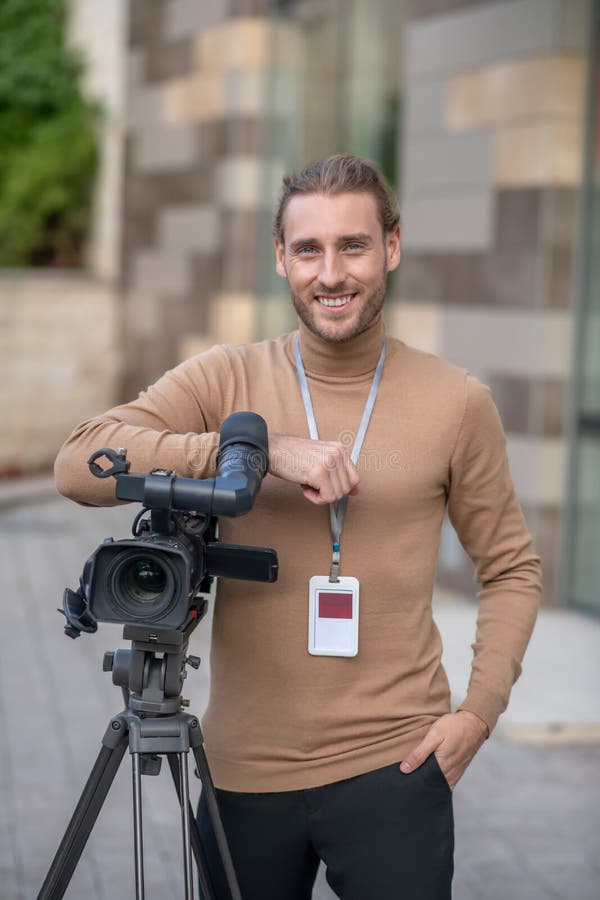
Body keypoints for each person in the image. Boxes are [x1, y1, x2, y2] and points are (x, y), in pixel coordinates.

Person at [55, 153, 541, 900]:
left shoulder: (457, 402)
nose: (331, 273)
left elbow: (510, 570)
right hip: (242, 775)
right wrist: (255, 450)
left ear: (393, 247)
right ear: (281, 258)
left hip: (398, 768)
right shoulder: (227, 379)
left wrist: (477, 714)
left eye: (353, 245)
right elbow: (78, 461)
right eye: (308, 249)